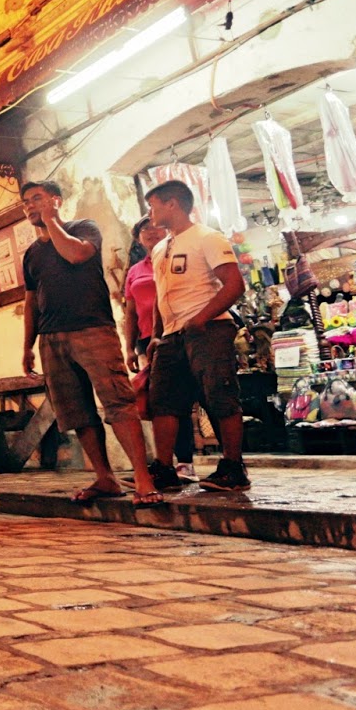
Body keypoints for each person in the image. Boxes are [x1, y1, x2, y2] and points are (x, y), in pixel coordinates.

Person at [20, 180, 162, 506]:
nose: (30, 206)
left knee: (118, 402)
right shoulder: (31, 254)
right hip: (51, 338)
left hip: (93, 330)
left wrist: (51, 221)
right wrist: (27, 345)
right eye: (26, 202)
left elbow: (75, 255)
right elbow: (31, 301)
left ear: (56, 200)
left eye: (37, 198)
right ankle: (105, 478)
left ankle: (143, 479)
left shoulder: (84, 228)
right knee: (76, 412)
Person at [144, 179, 250, 492]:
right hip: (171, 335)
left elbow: (234, 284)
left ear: (172, 203)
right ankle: (164, 468)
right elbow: (161, 295)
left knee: (220, 395)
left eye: (153, 206)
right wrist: (156, 336)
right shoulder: (160, 248)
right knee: (163, 401)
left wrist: (200, 319)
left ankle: (234, 467)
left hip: (209, 328)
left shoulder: (207, 236)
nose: (150, 213)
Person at [122, 216, 195, 483]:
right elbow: (130, 312)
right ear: (137, 237)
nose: (151, 232)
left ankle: (185, 462)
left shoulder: (175, 256)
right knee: (160, 400)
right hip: (147, 339)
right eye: (144, 229)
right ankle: (163, 463)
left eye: (155, 227)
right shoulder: (135, 270)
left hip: (179, 331)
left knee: (180, 397)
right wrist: (130, 348)